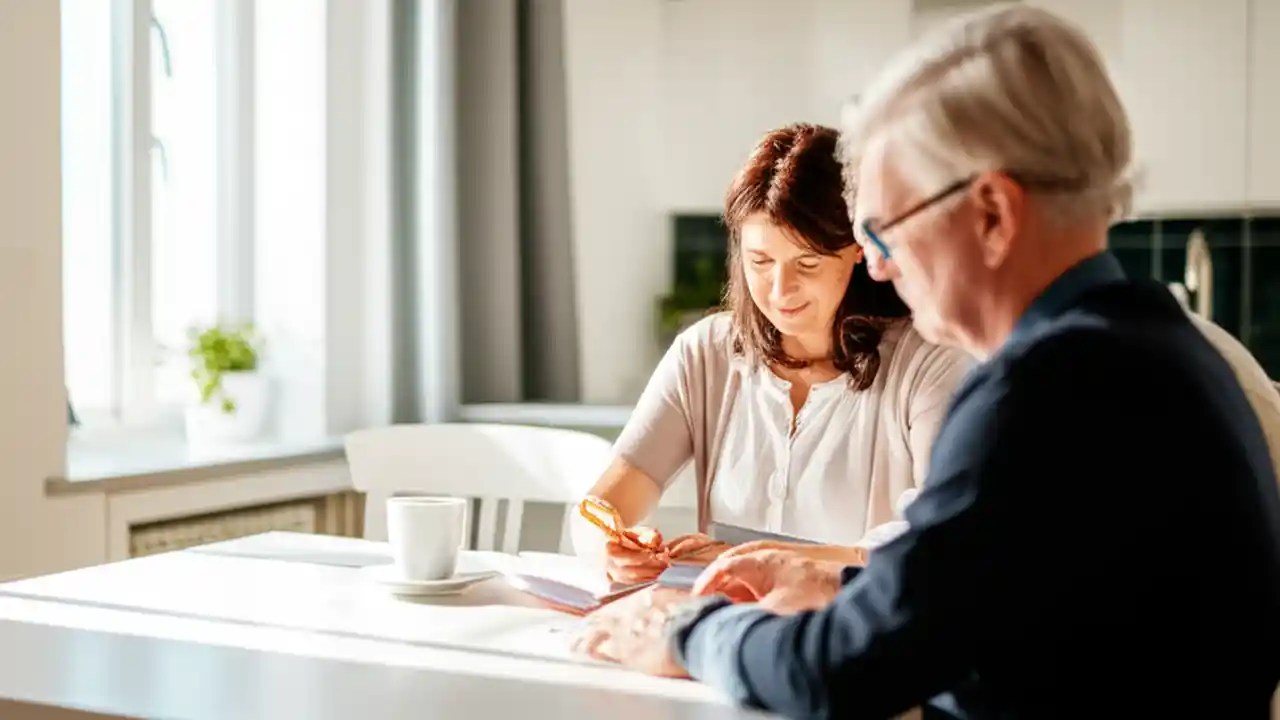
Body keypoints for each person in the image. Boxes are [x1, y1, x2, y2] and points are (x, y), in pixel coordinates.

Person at [572, 5, 1280, 717]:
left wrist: (688, 630)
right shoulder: (1159, 355)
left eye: (885, 230)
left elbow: (844, 672)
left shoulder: (1045, 393)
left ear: (993, 215)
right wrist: (838, 585)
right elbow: (986, 600)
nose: (876, 271)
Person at [570, 123, 972, 582]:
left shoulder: (929, 362)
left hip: (860, 635)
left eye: (807, 263)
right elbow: (598, 507)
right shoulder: (705, 354)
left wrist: (773, 562)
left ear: (857, 248)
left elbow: (943, 540)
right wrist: (611, 546)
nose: (781, 291)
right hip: (725, 630)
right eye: (760, 262)